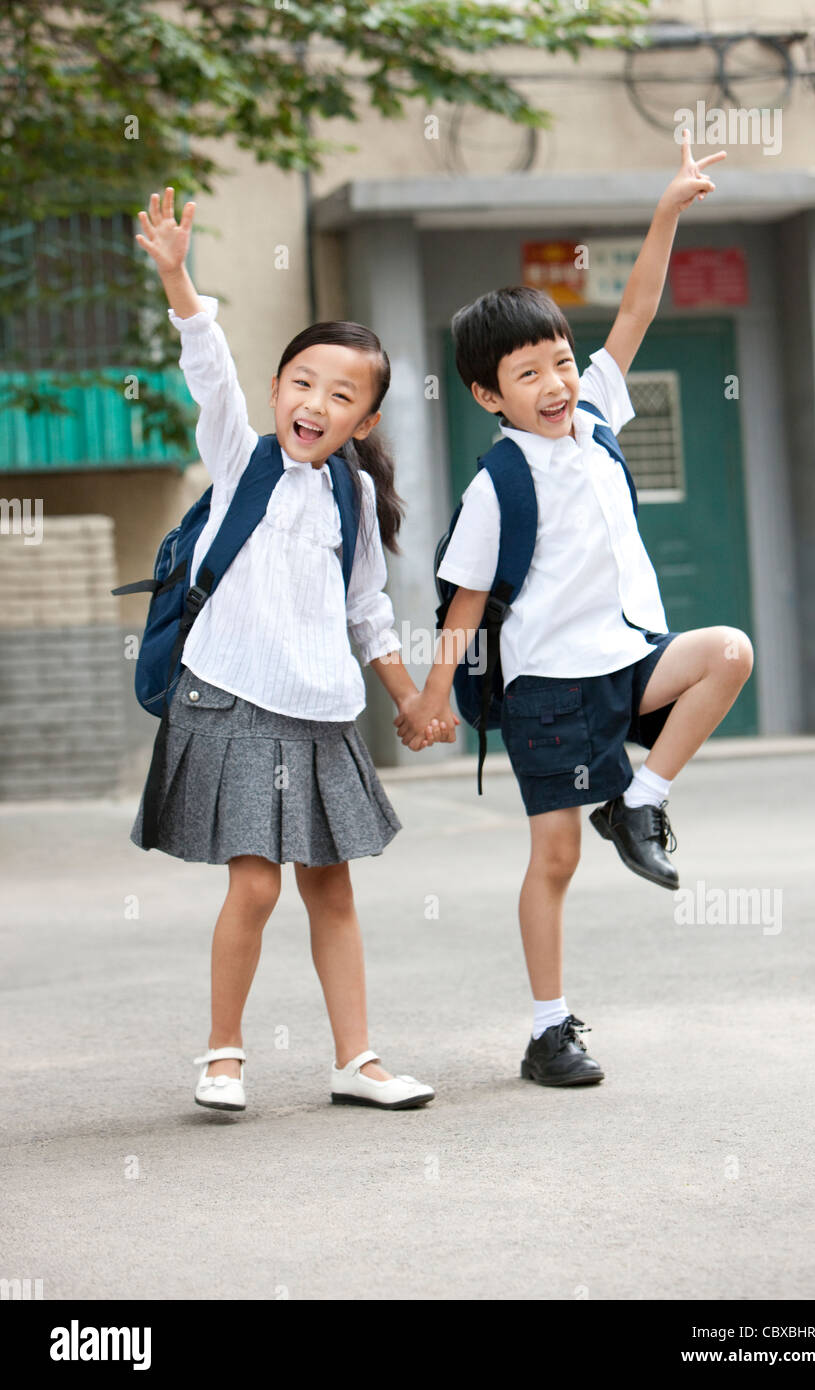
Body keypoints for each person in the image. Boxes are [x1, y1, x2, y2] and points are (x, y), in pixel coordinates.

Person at [395, 137, 754, 1087]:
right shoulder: (498, 480)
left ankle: (639, 803)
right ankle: (549, 1030)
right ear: (487, 394)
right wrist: (435, 697)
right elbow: (465, 601)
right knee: (552, 858)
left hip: (629, 654)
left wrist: (669, 207)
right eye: (529, 374)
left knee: (729, 651)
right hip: (550, 687)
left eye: (559, 361)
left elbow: (635, 307)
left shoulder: (595, 415)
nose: (555, 383)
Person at [129, 188, 456, 1114]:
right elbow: (210, 371)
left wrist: (407, 699)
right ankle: (223, 1056)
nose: (316, 401)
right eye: (303, 382)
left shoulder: (351, 497)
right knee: (257, 884)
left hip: (321, 708)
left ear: (367, 419)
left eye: (342, 394)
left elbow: (368, 613)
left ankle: (357, 1061)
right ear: (278, 391)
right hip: (230, 695)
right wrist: (178, 278)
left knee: (333, 890)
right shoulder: (242, 458)